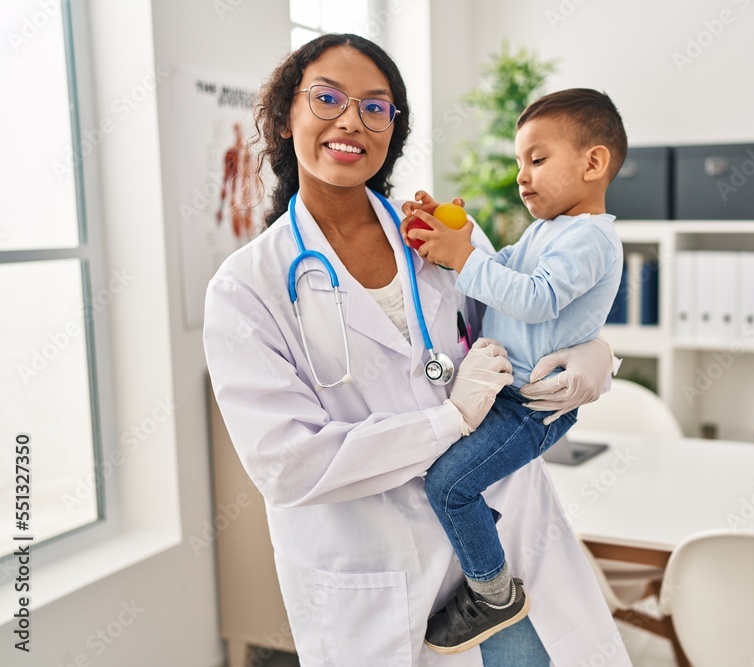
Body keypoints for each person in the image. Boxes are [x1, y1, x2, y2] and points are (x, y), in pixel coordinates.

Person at [201, 33, 632, 667]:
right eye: (327, 98)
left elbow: (531, 314)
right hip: (382, 582)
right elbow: (286, 465)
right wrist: (447, 422)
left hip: (510, 552)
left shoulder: (440, 234)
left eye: (376, 106)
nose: (351, 119)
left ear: (391, 131)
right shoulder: (246, 288)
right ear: (286, 115)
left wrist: (599, 352)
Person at [401, 89, 627, 654]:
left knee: (449, 486)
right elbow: (504, 270)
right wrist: (456, 233)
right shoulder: (549, 230)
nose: (522, 177)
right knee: (454, 479)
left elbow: (535, 298)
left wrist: (464, 257)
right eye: (518, 163)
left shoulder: (591, 237)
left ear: (593, 163)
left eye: (538, 159)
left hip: (530, 407)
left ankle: (493, 593)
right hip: (506, 393)